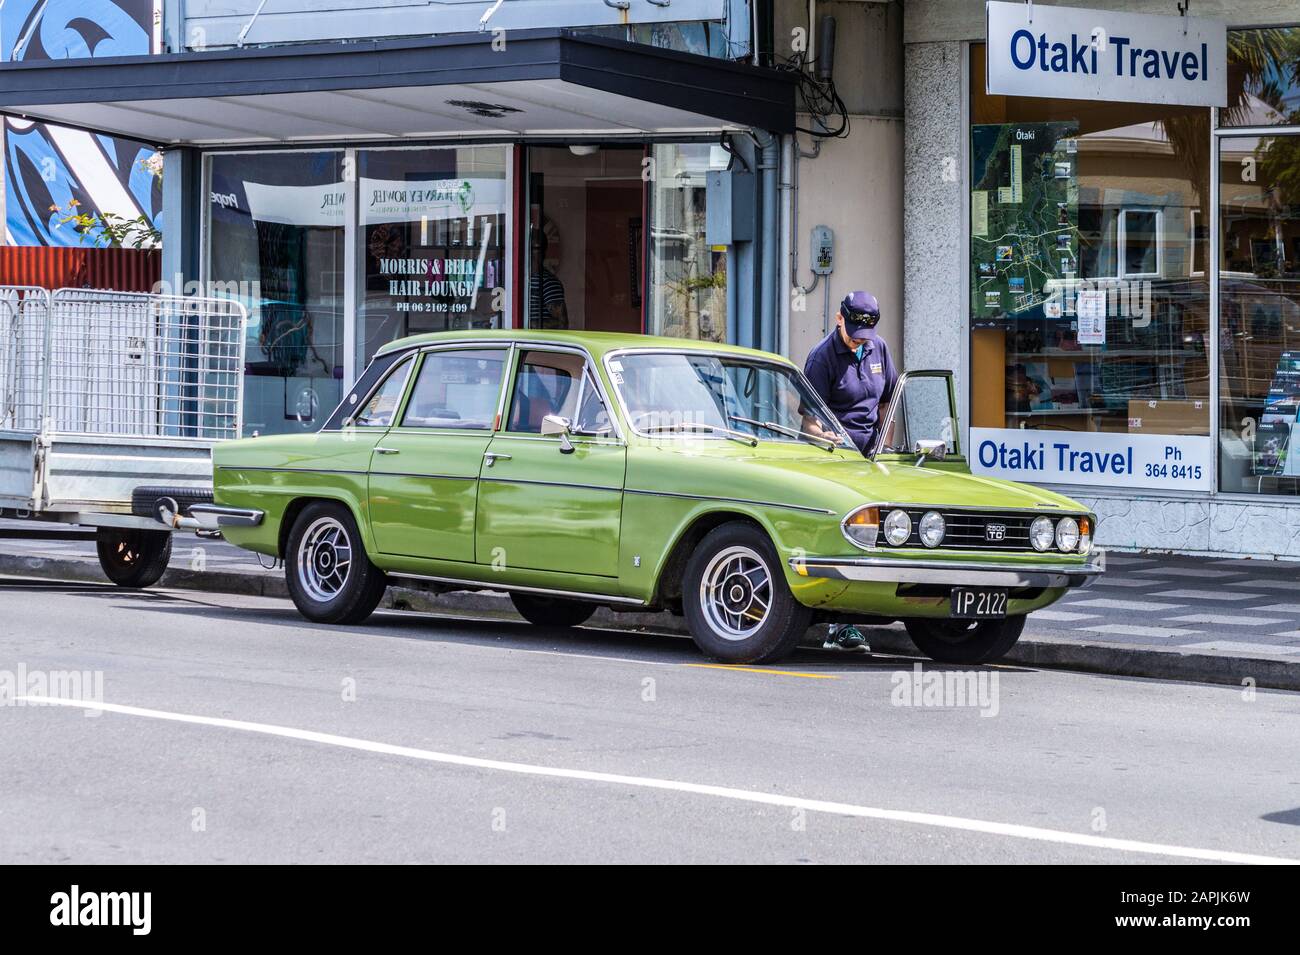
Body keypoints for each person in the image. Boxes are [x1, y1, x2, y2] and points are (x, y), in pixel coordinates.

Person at [803, 290, 900, 652]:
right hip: (836, 458)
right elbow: (808, 421)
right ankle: (839, 626)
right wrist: (830, 442)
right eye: (854, 332)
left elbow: (888, 397)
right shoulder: (821, 358)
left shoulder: (879, 349)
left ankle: (873, 601)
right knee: (848, 537)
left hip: (872, 457)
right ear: (839, 319)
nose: (860, 340)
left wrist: (884, 445)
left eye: (866, 334)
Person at [529, 228, 568, 329]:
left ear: (543, 253)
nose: (529, 252)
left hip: (537, 343)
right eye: (528, 247)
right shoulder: (520, 281)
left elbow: (562, 323)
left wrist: (527, 324)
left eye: (535, 248)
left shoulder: (549, 283)